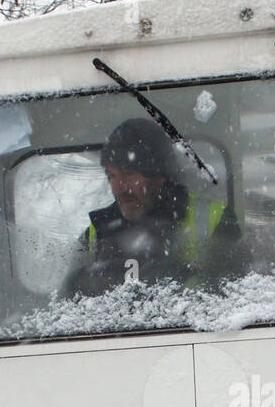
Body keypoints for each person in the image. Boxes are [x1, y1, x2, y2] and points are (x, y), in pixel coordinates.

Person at [69, 118, 245, 297]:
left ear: (159, 175)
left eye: (129, 174)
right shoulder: (96, 232)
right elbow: (69, 304)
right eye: (112, 176)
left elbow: (235, 298)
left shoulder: (214, 219)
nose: (118, 187)